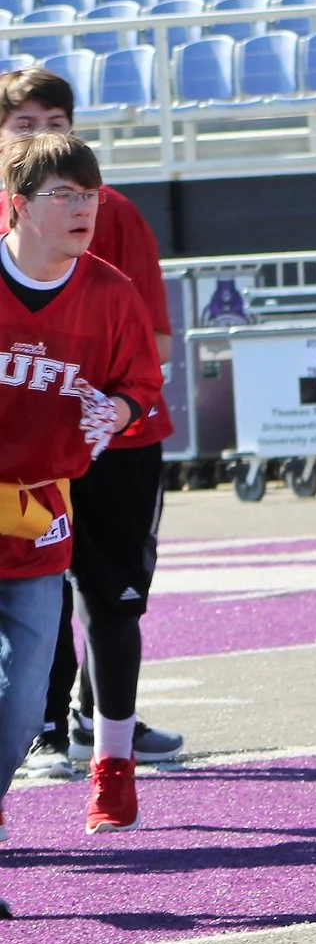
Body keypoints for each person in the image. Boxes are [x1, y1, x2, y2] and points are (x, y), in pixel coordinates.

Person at [0, 71, 180, 784]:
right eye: (63, 196)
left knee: (39, 673)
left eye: (88, 196)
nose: (82, 208)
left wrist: (118, 410)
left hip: (64, 480)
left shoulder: (111, 262)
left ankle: (99, 739)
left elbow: (145, 362)